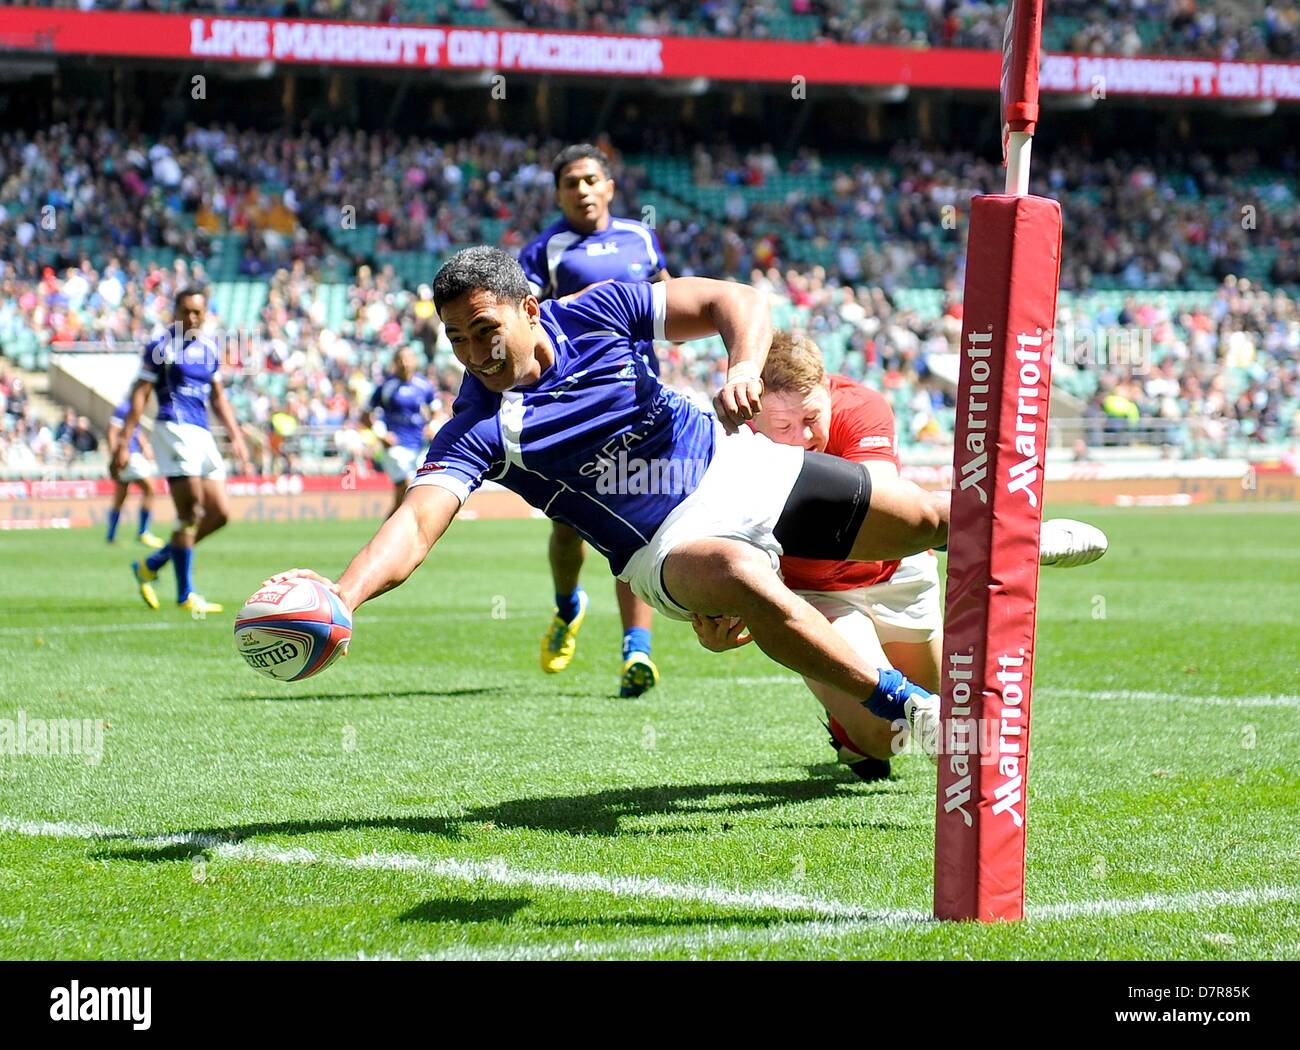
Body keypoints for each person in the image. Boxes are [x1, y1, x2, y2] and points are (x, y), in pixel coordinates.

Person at [261, 247, 1108, 761]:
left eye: (486, 327)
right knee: (738, 571)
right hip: (665, 549)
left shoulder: (598, 308)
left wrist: (744, 361)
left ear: (528, 308)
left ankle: (1023, 539)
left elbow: (735, 301)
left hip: (738, 466)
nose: (475, 350)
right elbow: (414, 522)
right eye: (455, 338)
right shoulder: (481, 427)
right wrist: (344, 595)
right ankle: (913, 715)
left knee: (923, 519)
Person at [693, 331, 943, 780]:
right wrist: (712, 617)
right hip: (814, 593)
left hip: (897, 572)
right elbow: (706, 541)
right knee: (888, 734)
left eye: (811, 417)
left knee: (945, 700)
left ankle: (844, 695)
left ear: (828, 388)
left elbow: (879, 506)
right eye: (783, 427)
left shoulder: (863, 406)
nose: (803, 439)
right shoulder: (727, 439)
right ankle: (849, 728)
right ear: (752, 415)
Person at [519, 143, 670, 698]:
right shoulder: (546, 250)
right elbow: (522, 318)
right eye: (570, 184)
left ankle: (637, 651)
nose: (581, 191)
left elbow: (668, 298)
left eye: (590, 180)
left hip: (638, 401)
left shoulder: (641, 238)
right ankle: (568, 606)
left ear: (609, 185)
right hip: (573, 403)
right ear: (558, 194)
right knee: (568, 528)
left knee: (638, 524)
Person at [116, 287, 251, 615]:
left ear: (206, 315)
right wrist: (124, 439)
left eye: (198, 312)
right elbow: (141, 393)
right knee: (191, 514)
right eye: (186, 311)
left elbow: (218, 397)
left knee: (220, 514)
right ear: (174, 312)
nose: (192, 317)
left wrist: (237, 437)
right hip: (172, 429)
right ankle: (185, 595)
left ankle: (151, 564)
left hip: (202, 434)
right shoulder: (160, 347)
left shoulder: (209, 349)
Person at [364, 346, 439, 515]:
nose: (405, 363)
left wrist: (432, 425)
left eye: (408, 358)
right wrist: (381, 434)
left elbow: (436, 411)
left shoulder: (424, 385)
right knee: (407, 486)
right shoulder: (386, 387)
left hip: (419, 446)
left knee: (405, 497)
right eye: (401, 359)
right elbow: (365, 414)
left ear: (415, 361)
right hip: (395, 446)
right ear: (395, 362)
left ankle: (389, 534)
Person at [105, 396, 165, 549]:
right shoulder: (125, 407)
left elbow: (136, 430)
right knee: (151, 489)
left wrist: (145, 446)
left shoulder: (134, 408)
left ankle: (111, 535)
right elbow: (112, 431)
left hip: (131, 454)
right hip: (128, 455)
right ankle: (143, 532)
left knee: (121, 495)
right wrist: (116, 456)